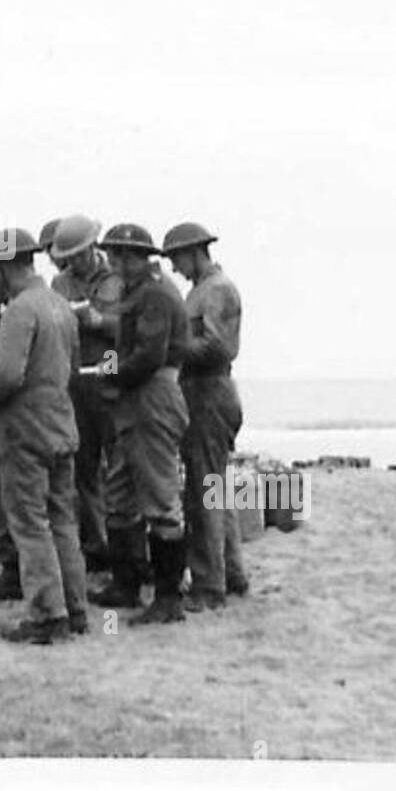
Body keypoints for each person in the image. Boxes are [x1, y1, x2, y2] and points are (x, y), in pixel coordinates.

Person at [0, 228, 87, 644]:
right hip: (60, 426)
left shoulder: (20, 311)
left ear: (4, 268)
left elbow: (7, 376)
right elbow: (71, 373)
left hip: (24, 433)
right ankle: (75, 609)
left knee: (29, 523)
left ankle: (45, 614)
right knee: (62, 521)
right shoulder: (60, 306)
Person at [89, 223, 190, 625]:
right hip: (135, 401)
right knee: (120, 492)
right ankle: (126, 584)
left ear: (136, 257)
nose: (114, 264)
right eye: (113, 256)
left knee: (162, 500)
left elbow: (149, 355)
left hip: (154, 397)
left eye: (119, 257)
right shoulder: (139, 292)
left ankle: (167, 599)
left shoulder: (156, 294)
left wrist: (110, 374)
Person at [162, 222, 246, 611]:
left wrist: (172, 347)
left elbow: (219, 347)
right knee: (217, 488)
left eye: (177, 257)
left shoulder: (217, 290)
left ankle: (210, 586)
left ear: (194, 252)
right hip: (203, 391)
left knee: (204, 492)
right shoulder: (202, 291)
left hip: (209, 392)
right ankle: (231, 573)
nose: (176, 267)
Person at [48, 214, 121, 571]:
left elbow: (134, 326)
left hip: (113, 384)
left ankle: (125, 546)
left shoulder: (119, 279)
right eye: (69, 256)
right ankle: (98, 544)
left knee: (121, 469)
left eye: (80, 254)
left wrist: (100, 321)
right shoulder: (59, 284)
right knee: (84, 469)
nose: (75, 262)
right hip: (76, 386)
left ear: (94, 247)